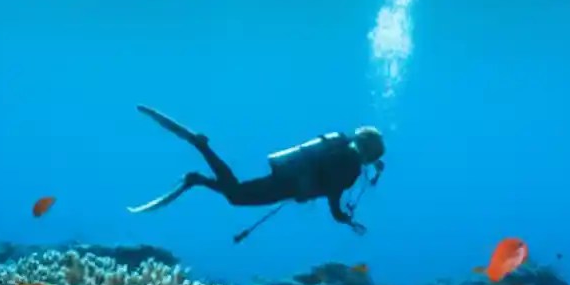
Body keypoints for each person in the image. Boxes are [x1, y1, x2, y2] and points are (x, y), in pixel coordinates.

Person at [128, 105, 385, 237]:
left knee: (236, 195)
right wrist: (341, 216)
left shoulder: (342, 146)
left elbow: (328, 179)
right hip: (289, 185)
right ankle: (201, 147)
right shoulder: (351, 164)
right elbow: (333, 190)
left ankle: (197, 178)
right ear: (370, 151)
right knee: (237, 195)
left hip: (288, 177)